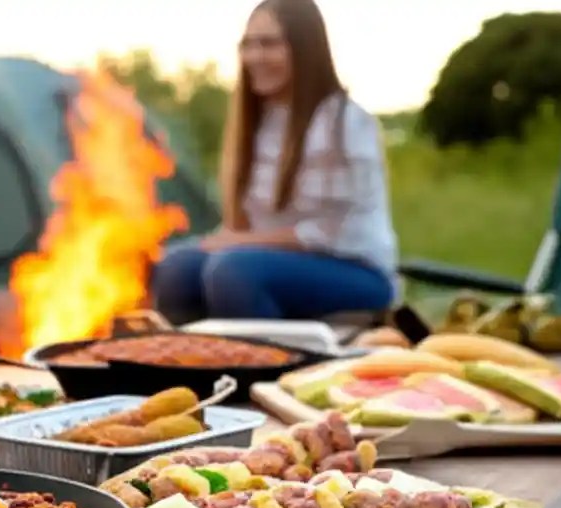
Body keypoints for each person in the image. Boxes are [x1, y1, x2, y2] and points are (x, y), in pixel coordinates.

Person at [152, 0, 397, 322]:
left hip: (354, 269)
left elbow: (329, 233)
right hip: (265, 258)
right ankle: (188, 365)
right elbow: (248, 222)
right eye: (248, 45)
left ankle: (268, 367)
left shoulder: (345, 123)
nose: (254, 57)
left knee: (233, 271)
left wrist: (237, 242)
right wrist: (231, 239)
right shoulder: (258, 122)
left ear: (305, 49)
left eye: (269, 44)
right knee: (174, 266)